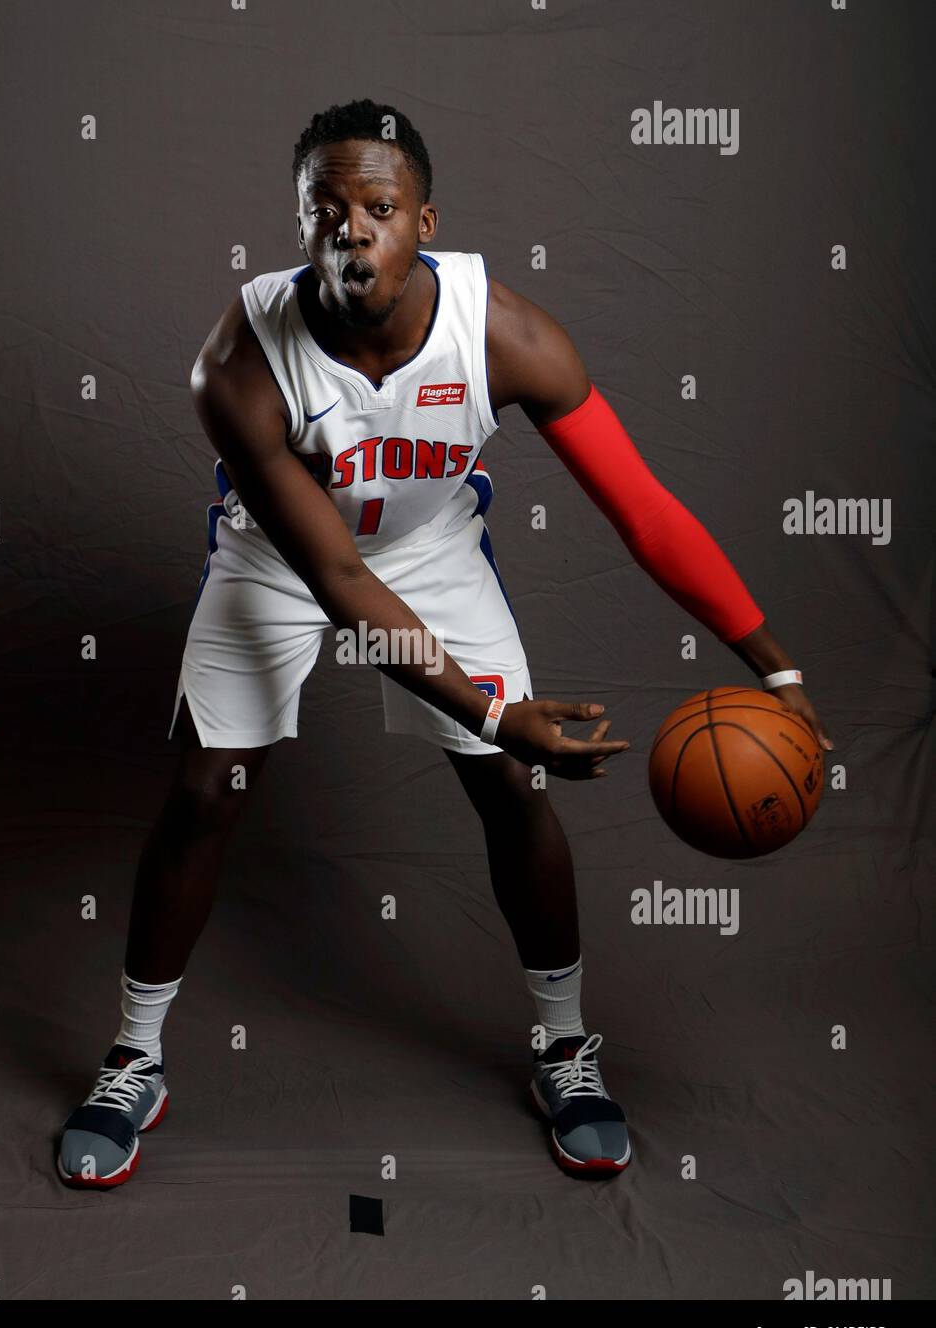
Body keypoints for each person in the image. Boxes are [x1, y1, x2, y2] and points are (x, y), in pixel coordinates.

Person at [56, 98, 832, 1190]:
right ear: (298, 223)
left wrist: (778, 669)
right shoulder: (237, 360)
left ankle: (564, 1043)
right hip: (282, 562)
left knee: (514, 788)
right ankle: (135, 1054)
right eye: (325, 208)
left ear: (426, 218)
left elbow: (645, 512)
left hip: (431, 553)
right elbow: (333, 579)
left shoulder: (502, 332)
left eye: (378, 205)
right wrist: (493, 702)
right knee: (206, 790)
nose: (350, 228)